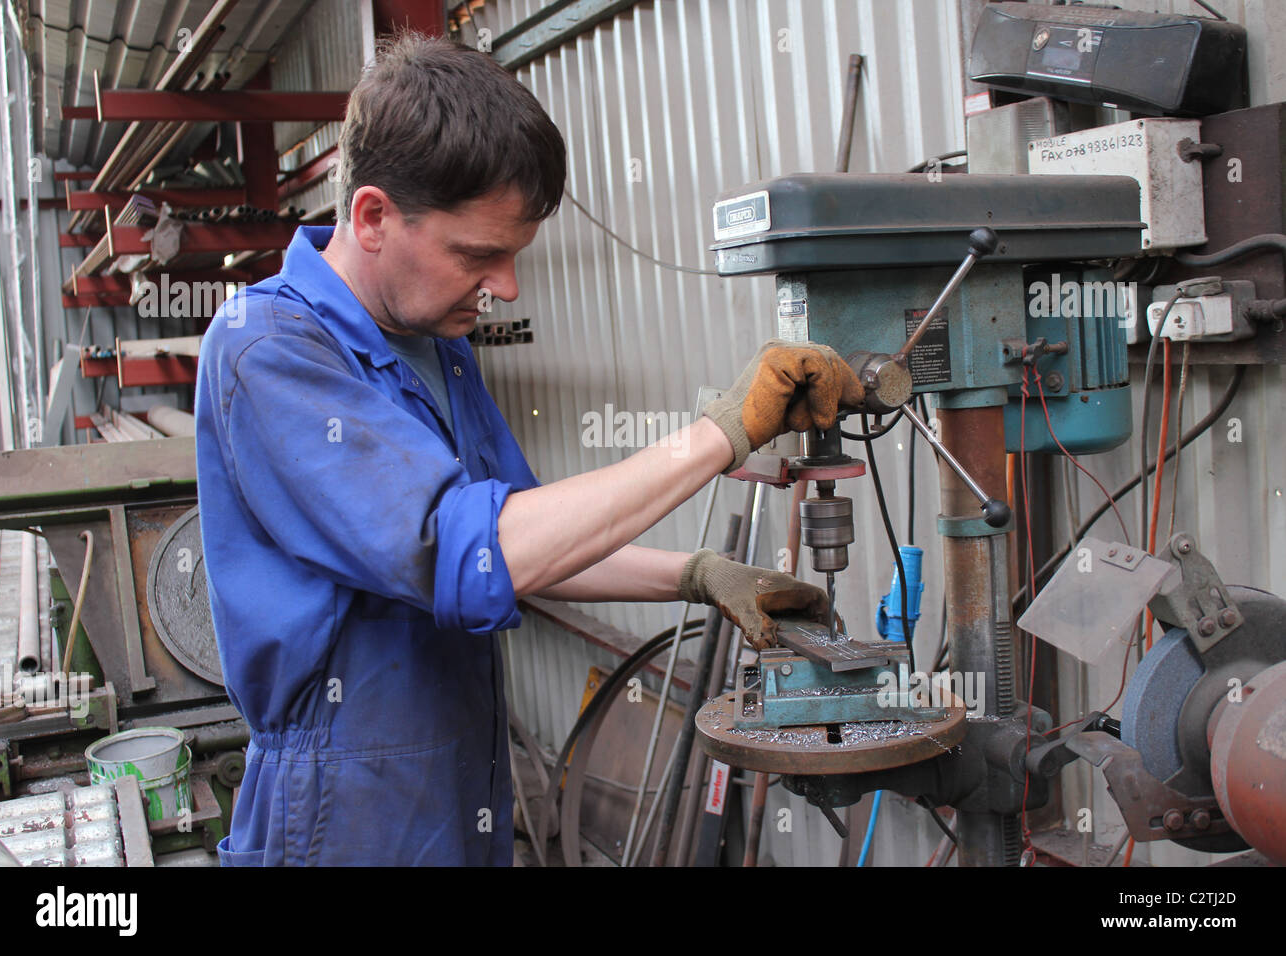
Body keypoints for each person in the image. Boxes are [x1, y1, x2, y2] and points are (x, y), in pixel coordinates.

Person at [195, 33, 864, 866]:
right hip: (342, 813)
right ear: (371, 216)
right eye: (479, 255)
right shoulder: (270, 351)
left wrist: (694, 575)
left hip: (454, 790)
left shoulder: (436, 344)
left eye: (514, 256)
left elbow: (530, 542)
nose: (506, 287)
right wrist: (723, 433)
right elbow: (468, 552)